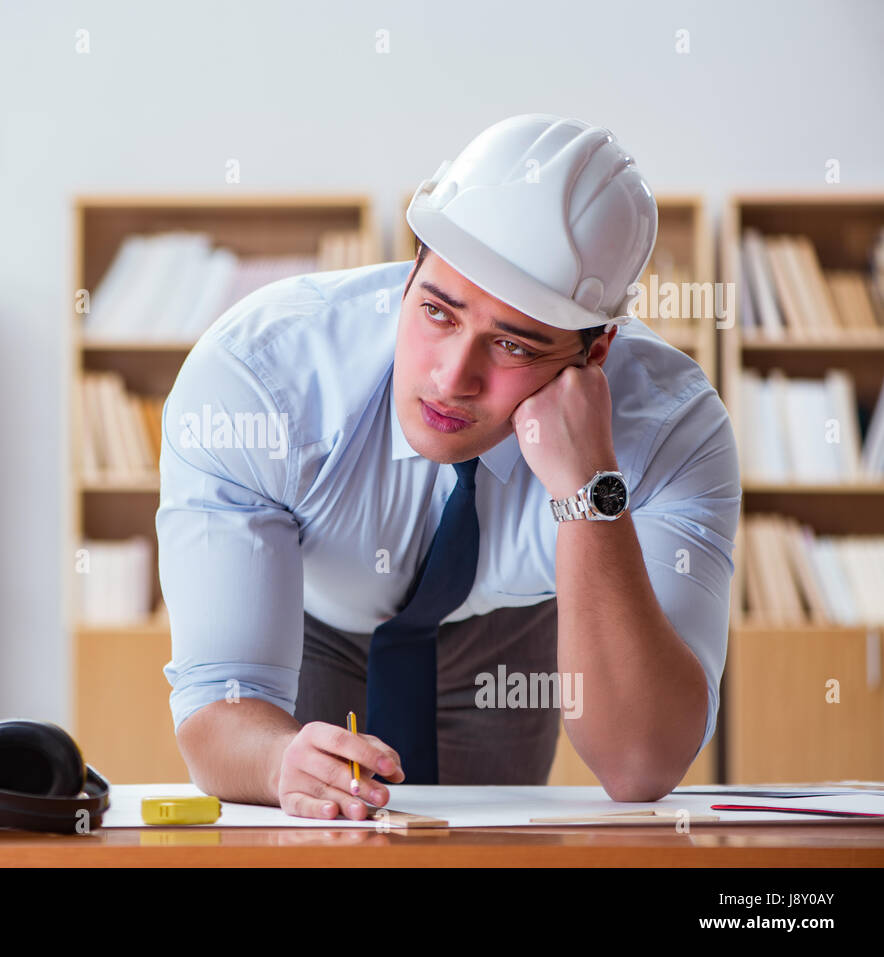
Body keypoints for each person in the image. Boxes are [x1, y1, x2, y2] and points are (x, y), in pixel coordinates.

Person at [155, 114, 741, 821]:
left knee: (491, 846)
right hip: (311, 606)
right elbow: (218, 711)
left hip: (508, 620)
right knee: (305, 822)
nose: (453, 377)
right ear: (412, 272)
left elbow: (641, 762)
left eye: (514, 347)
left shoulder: (672, 426)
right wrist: (279, 759)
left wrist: (589, 493)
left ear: (595, 353)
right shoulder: (257, 380)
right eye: (438, 311)